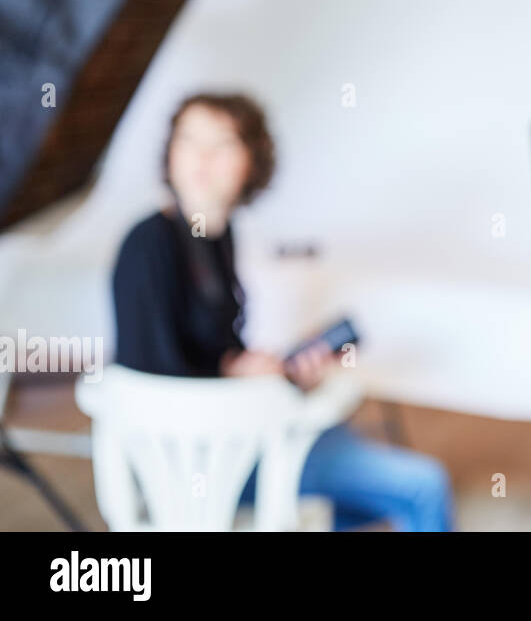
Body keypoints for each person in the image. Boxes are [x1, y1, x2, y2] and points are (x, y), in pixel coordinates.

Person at [112, 92, 454, 532]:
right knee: (424, 487)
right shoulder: (148, 244)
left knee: (358, 476)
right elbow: (153, 386)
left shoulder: (218, 236)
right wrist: (238, 378)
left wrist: (272, 369)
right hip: (201, 460)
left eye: (221, 143)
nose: (201, 157)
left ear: (251, 162)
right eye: (188, 140)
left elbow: (209, 352)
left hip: (237, 430)